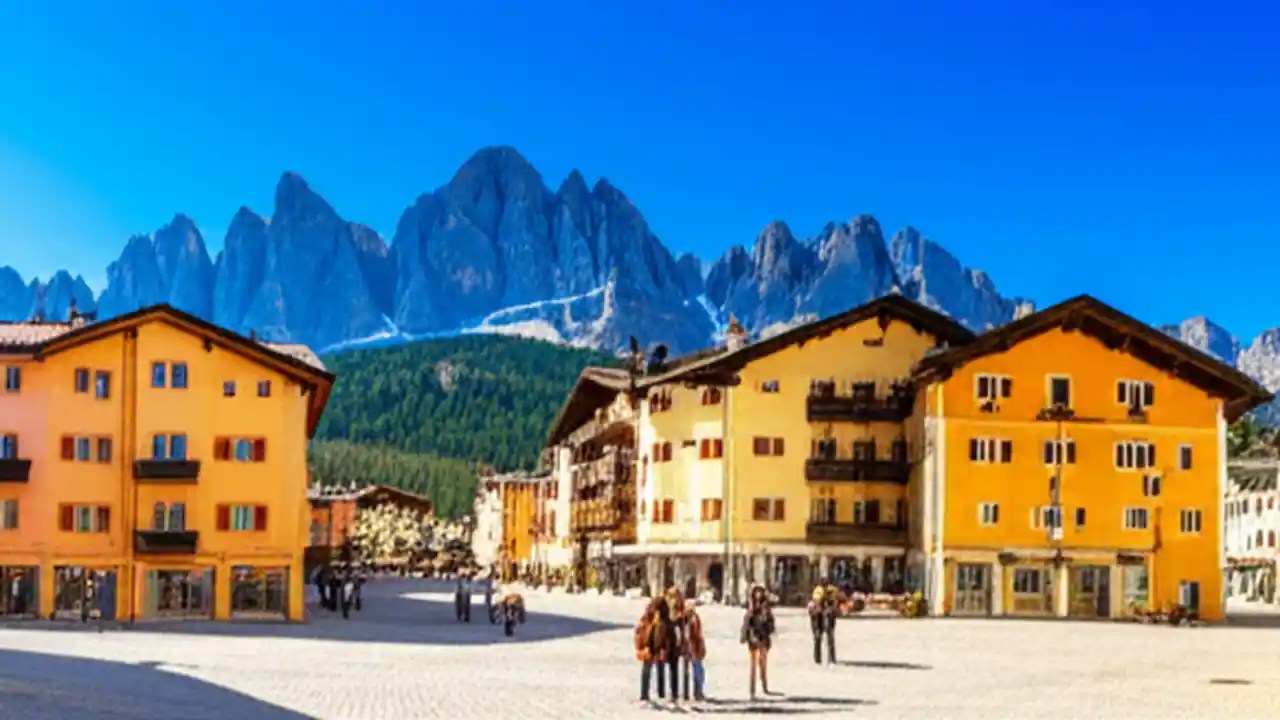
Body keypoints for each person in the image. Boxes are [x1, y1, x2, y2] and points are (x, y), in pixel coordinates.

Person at [635, 597, 673, 704]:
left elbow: (666, 634)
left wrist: (665, 648)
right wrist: (642, 646)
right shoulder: (647, 619)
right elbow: (640, 633)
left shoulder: (663, 619)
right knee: (647, 670)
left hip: (658, 647)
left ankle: (660, 694)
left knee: (658, 669)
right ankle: (644, 694)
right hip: (649, 647)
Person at [671, 587, 707, 701]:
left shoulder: (691, 617)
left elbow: (698, 632)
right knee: (685, 671)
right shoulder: (675, 614)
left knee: (697, 670)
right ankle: (683, 693)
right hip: (682, 645)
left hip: (693, 646)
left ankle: (697, 692)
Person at [741, 585, 775, 700]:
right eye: (756, 592)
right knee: (753, 666)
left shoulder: (766, 607)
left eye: (760, 592)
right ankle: (752, 690)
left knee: (763, 663)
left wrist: (768, 628)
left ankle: (764, 685)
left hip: (763, 638)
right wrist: (745, 635)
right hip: (753, 638)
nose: (758, 595)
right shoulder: (750, 606)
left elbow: (771, 623)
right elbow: (746, 622)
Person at [809, 580, 838, 665]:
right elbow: (816, 604)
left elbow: (834, 603)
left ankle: (831, 658)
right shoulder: (818, 591)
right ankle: (818, 658)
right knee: (818, 637)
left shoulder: (832, 590)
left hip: (828, 615)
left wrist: (831, 609)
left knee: (830, 637)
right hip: (817, 616)